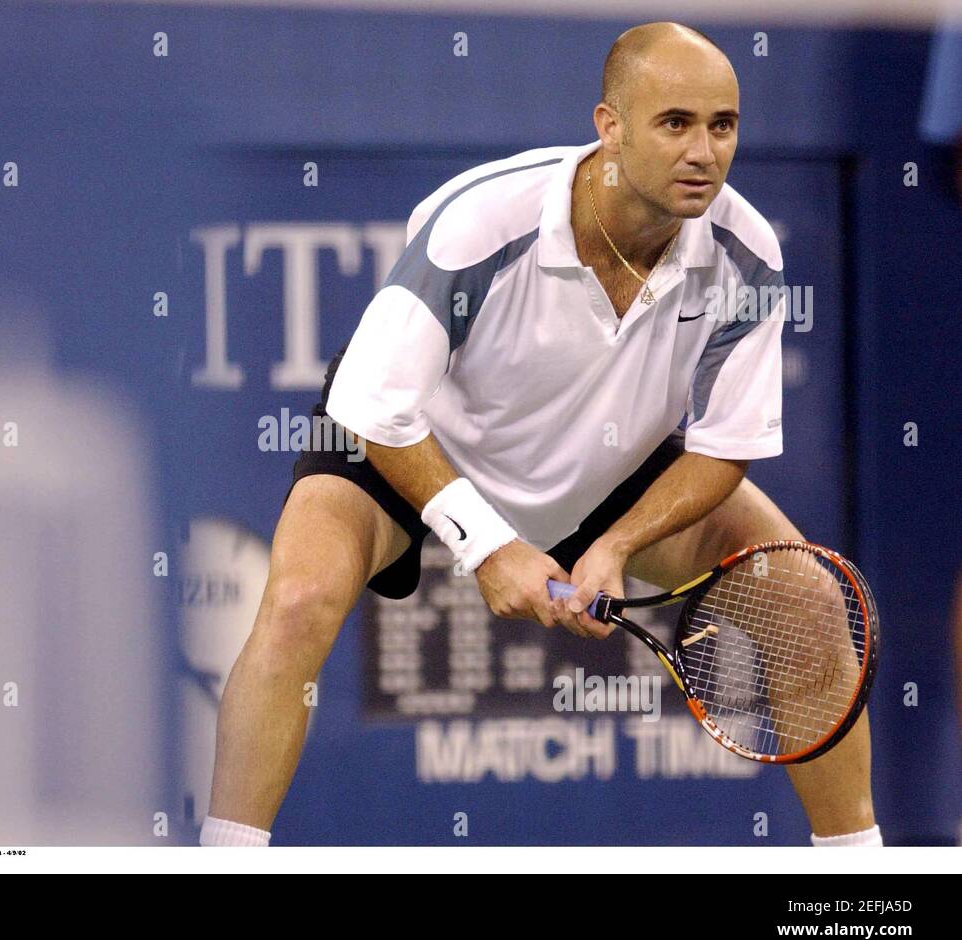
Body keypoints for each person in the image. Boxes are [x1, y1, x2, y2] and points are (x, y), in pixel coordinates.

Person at [202, 21, 878, 848]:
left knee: (804, 602)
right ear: (610, 127)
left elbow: (723, 447)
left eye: (723, 125)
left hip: (616, 457)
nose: (703, 150)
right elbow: (373, 403)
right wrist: (487, 542)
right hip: (417, 443)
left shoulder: (746, 254)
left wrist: (618, 546)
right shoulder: (484, 222)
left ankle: (860, 888)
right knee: (301, 599)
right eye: (675, 123)